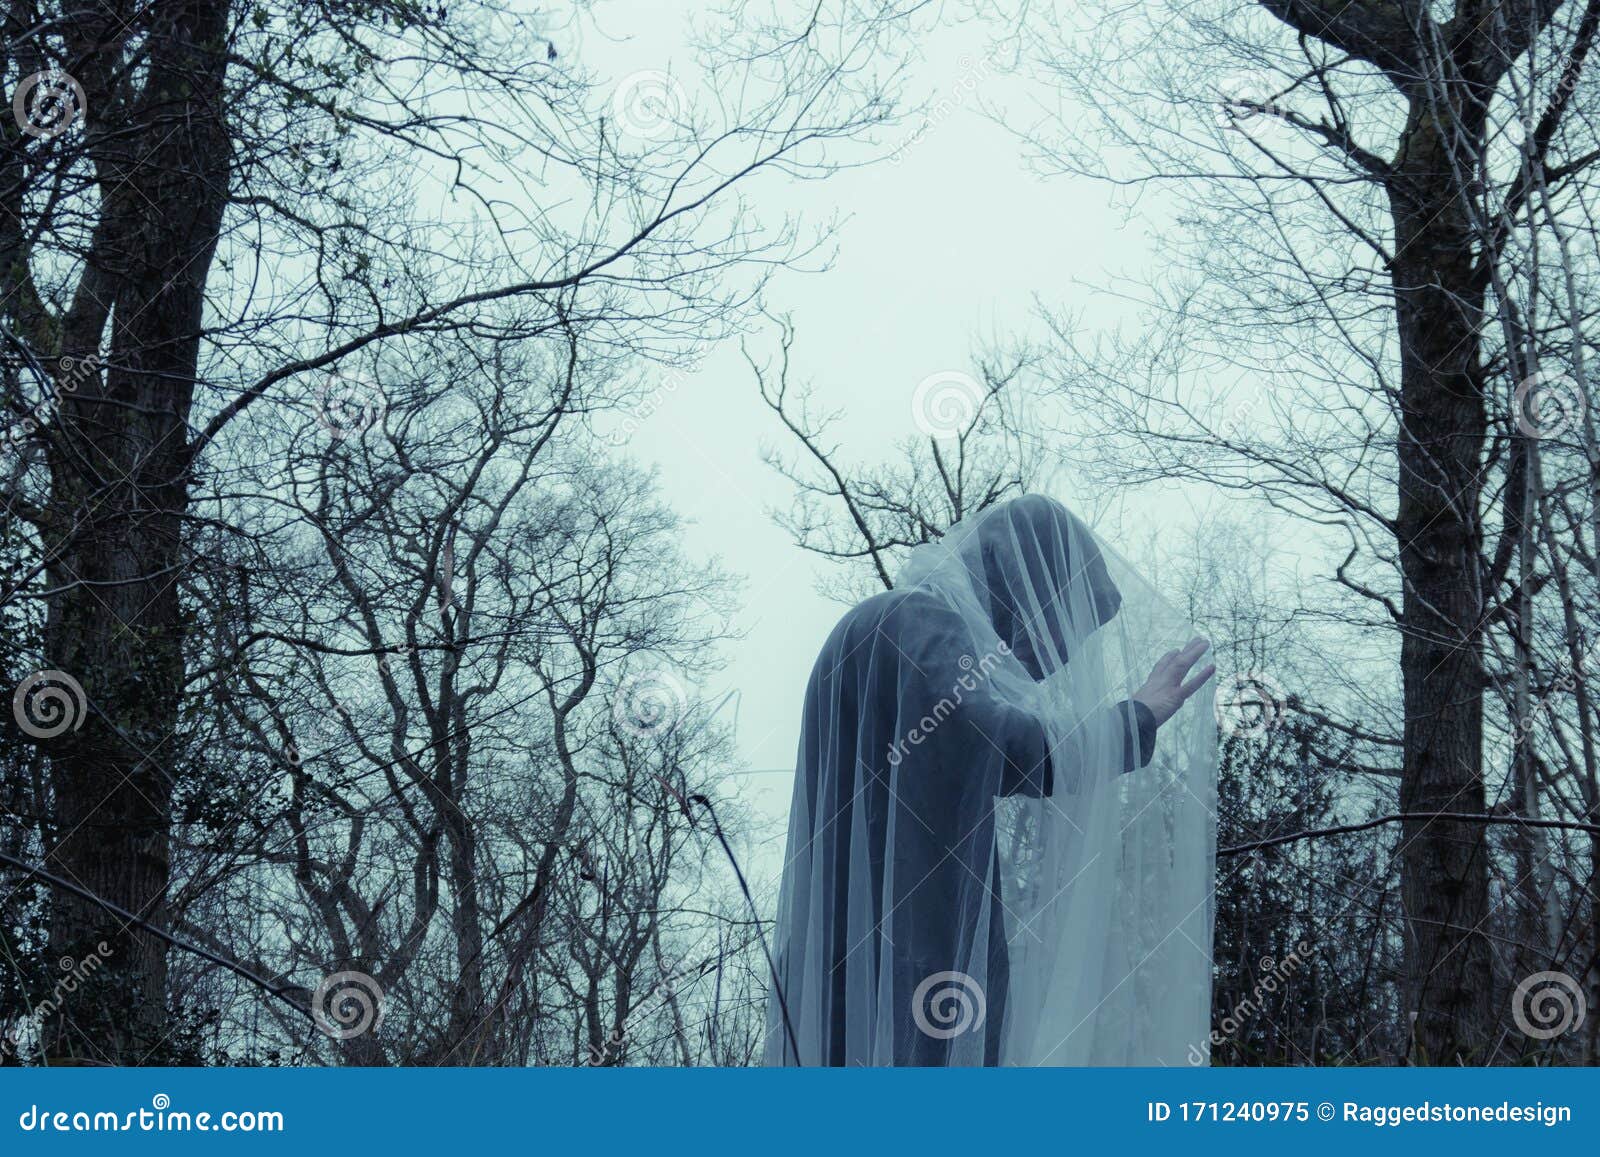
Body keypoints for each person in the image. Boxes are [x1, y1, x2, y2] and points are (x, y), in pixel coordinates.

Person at [764, 495, 1217, 1066]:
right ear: (1023, 586)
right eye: (1058, 631)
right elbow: (1006, 747)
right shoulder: (917, 619)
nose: (1054, 663)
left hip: (850, 960)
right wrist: (1138, 716)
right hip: (913, 959)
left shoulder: (878, 625)